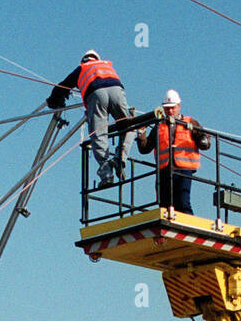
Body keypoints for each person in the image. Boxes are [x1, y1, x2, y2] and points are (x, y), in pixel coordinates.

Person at [47, 50, 135, 186]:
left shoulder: (82, 68)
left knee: (99, 134)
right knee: (129, 125)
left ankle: (107, 175)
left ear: (84, 60)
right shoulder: (106, 64)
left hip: (96, 93)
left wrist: (53, 101)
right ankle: (120, 159)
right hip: (117, 91)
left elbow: (62, 87)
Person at [136, 90, 213, 214]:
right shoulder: (159, 127)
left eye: (172, 108)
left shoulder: (190, 122)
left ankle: (188, 227)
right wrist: (141, 133)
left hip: (184, 169)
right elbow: (145, 149)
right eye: (167, 109)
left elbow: (205, 143)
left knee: (182, 202)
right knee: (164, 205)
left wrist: (203, 140)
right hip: (164, 171)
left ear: (179, 106)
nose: (170, 111)